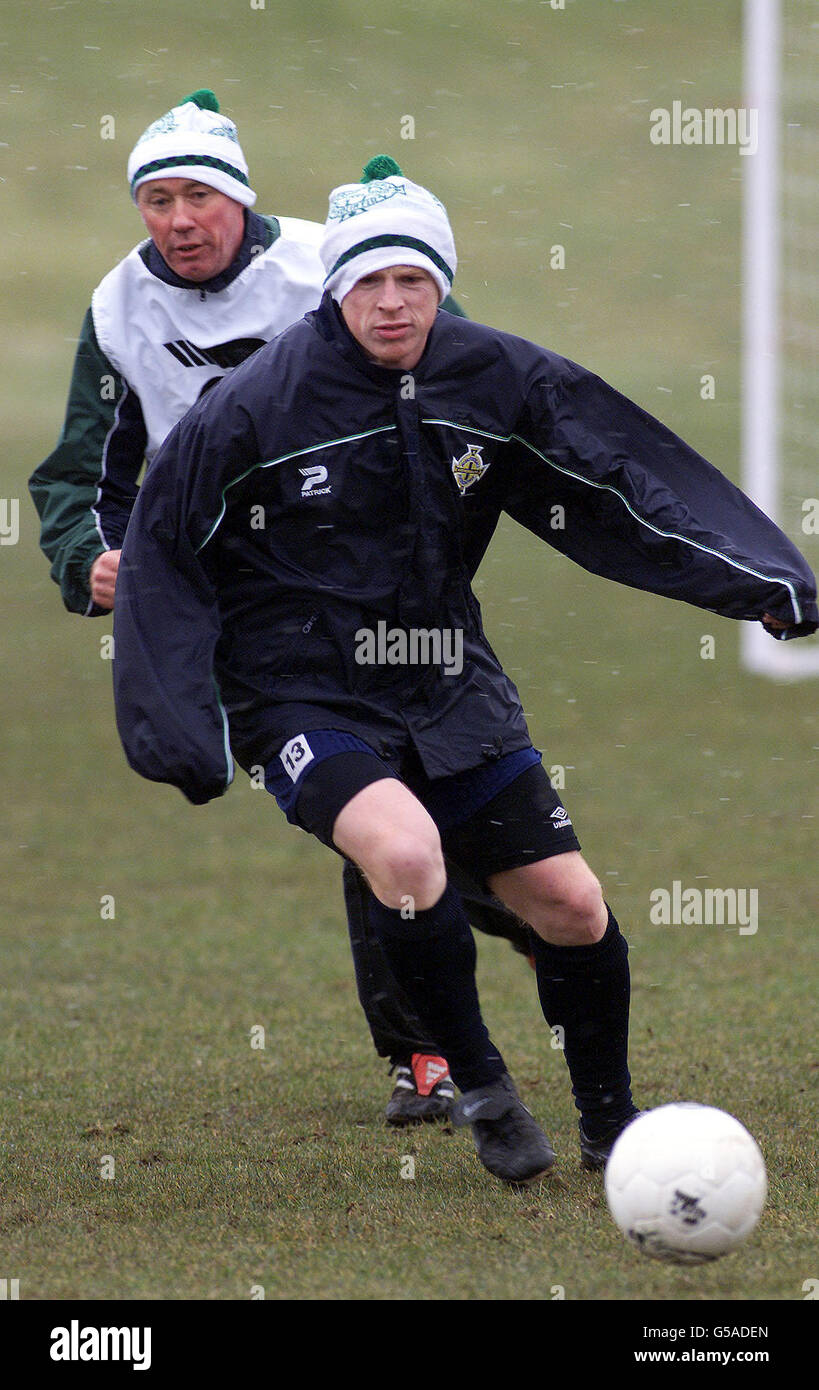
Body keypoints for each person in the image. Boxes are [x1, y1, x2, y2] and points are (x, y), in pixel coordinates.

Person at [109, 157, 817, 1186]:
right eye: (368, 283)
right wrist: (177, 722)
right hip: (300, 688)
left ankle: (610, 1127)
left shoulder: (496, 375)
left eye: (413, 281)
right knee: (402, 854)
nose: (391, 303)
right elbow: (165, 545)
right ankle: (478, 1082)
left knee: (573, 909)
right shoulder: (257, 405)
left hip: (449, 683)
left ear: (442, 282)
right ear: (335, 288)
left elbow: (619, 476)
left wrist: (755, 577)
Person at [27, 92, 532, 1127]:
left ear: (239, 199)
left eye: (198, 195)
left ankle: (468, 971)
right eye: (157, 198)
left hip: (389, 581)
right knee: (374, 805)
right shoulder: (120, 308)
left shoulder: (329, 264)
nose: (178, 219)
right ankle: (432, 1039)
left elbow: (472, 381)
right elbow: (84, 472)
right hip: (250, 608)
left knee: (414, 808)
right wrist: (93, 561)